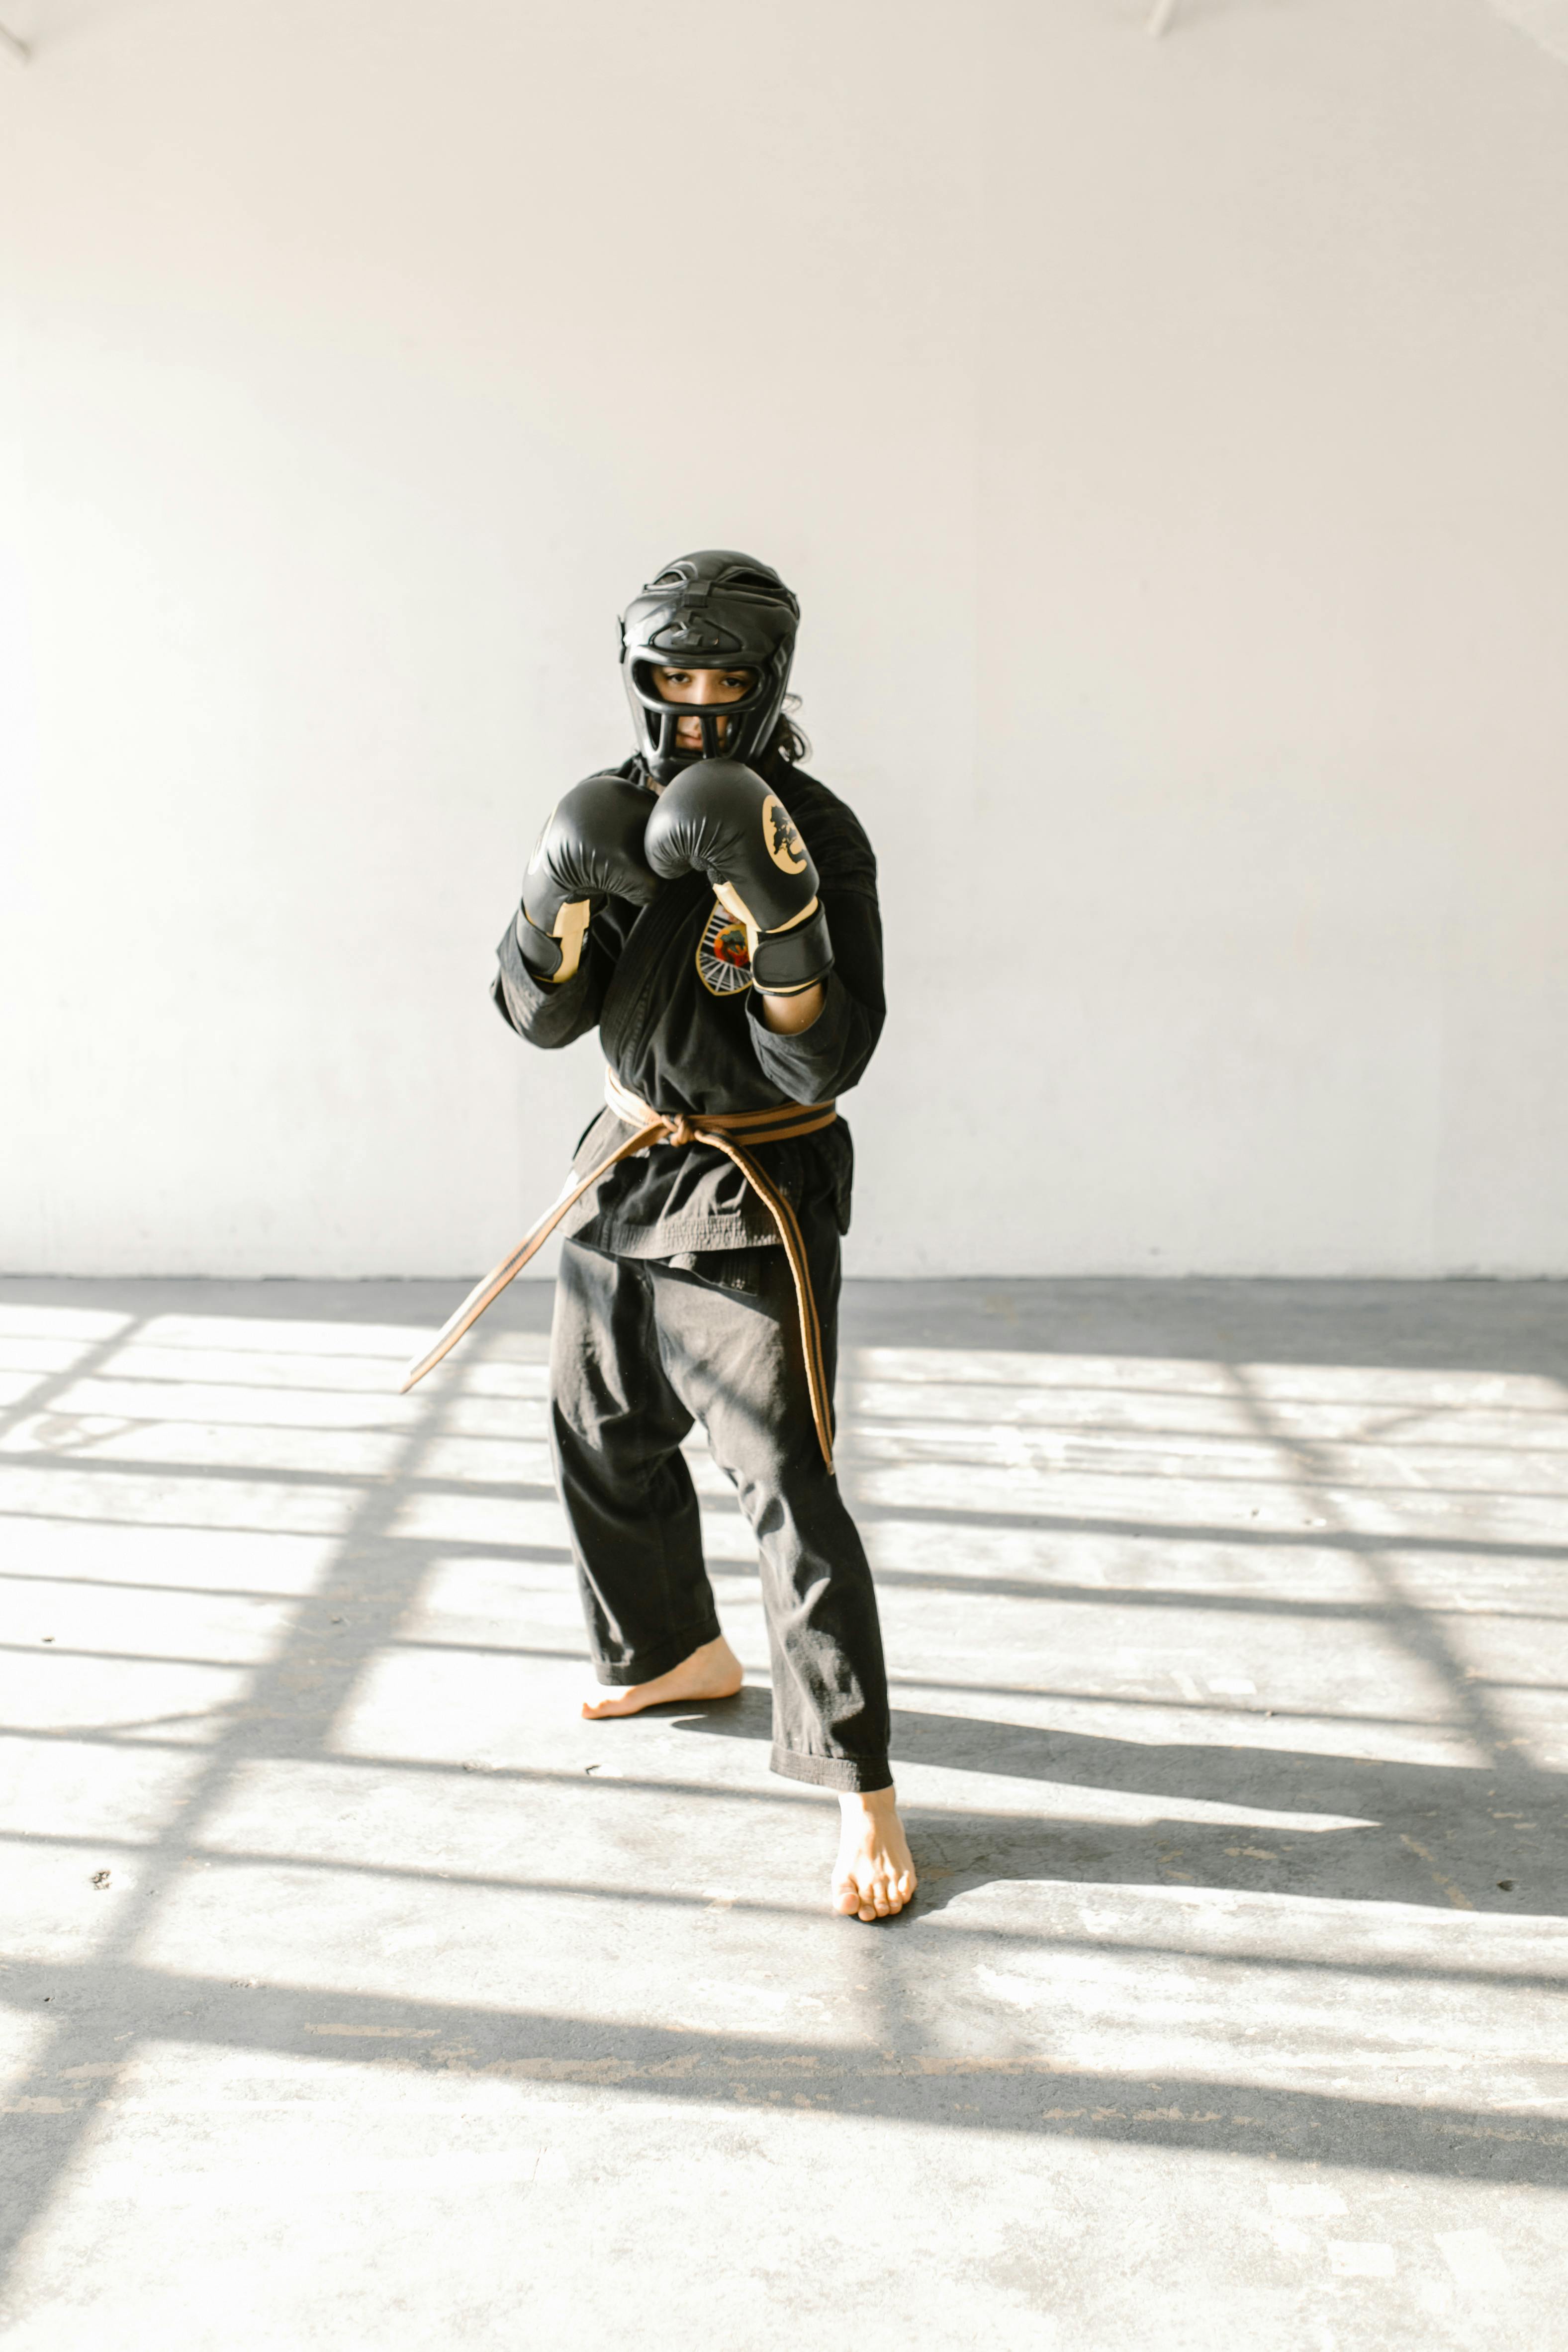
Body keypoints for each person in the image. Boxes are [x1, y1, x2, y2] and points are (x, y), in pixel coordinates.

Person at [490, 550, 915, 1922]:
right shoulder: (611, 813)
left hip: (753, 1185)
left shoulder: (815, 829)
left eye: (722, 676)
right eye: (671, 675)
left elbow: (828, 1058)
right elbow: (540, 1016)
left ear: (767, 680)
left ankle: (861, 1788)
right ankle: (671, 1649)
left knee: (784, 1478)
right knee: (596, 1430)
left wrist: (779, 920)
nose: (695, 702)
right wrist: (556, 890)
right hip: (625, 1162)